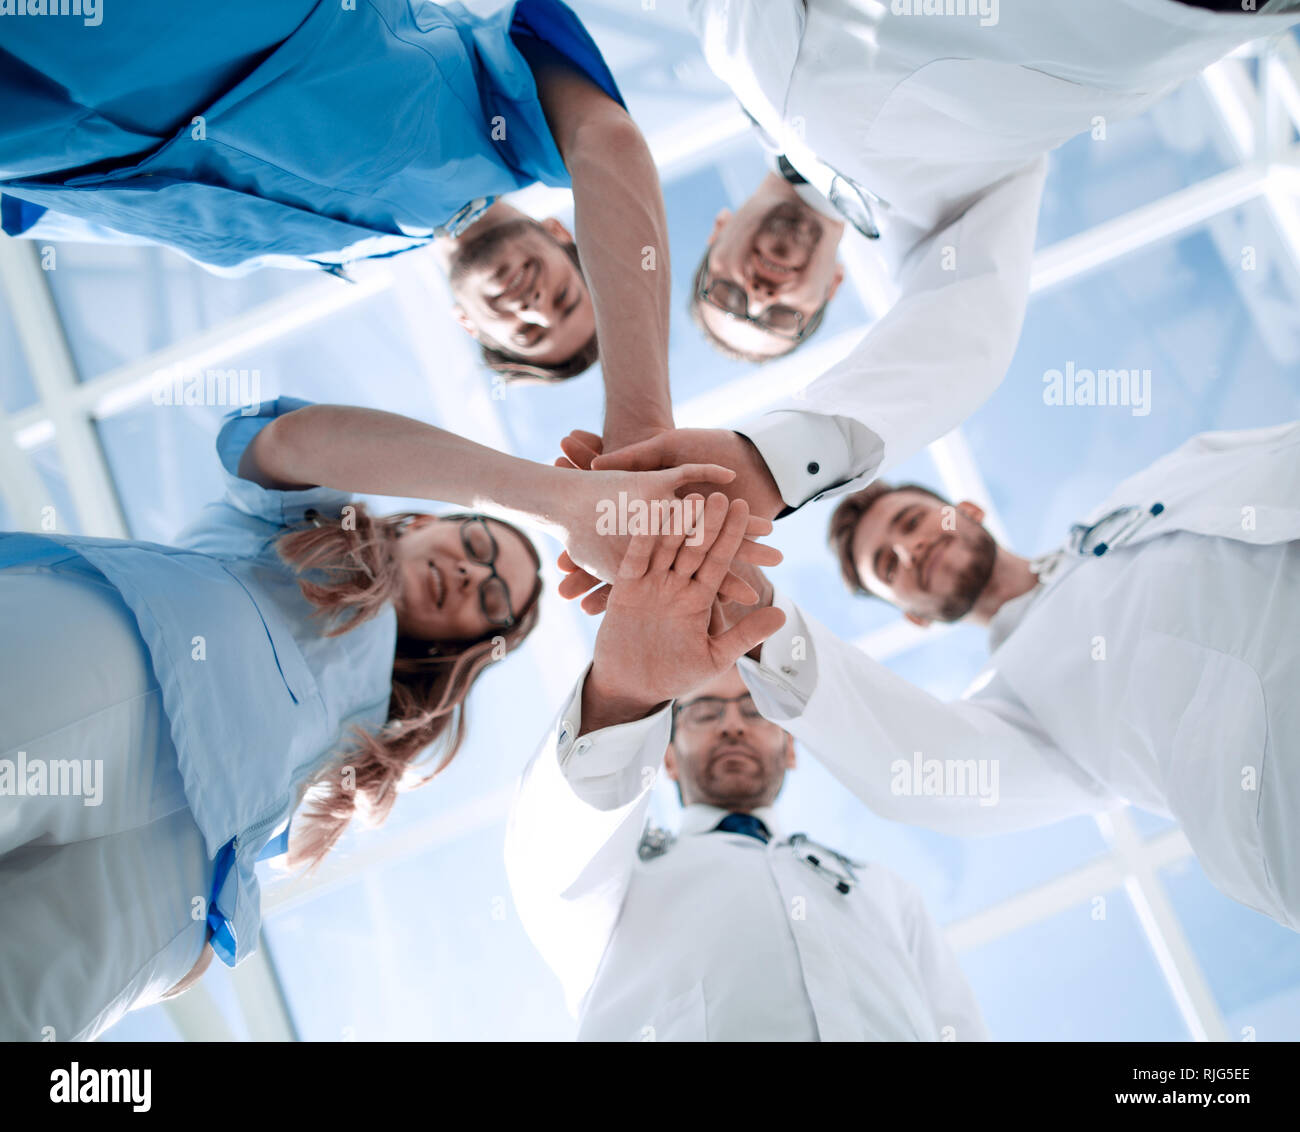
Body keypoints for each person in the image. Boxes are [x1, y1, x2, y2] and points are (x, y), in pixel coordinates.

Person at [0, 396, 773, 1041]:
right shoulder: (293, 531)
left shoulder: (372, 744)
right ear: (420, 522)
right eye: (474, 541)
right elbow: (287, 441)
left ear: (471, 648)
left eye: (490, 601)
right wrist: (553, 501)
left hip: (176, 880)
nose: (469, 573)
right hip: (130, 665)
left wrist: (188, 939)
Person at [588, 0, 1300, 517]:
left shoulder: (742, 57)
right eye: (778, 318)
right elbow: (964, 337)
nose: (759, 292)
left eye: (726, 293)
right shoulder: (939, 224)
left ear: (718, 230)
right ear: (830, 290)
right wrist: (771, 462)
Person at [696, 420, 1300, 933]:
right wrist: (749, 603)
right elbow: (919, 768)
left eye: (912, 522)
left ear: (967, 511)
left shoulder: (1144, 492)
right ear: (914, 615)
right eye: (889, 566)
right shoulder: (1016, 705)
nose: (911, 550)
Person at [0, 0, 673, 411]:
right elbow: (608, 142)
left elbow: (126, 219)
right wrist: (639, 412)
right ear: (562, 232)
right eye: (565, 298)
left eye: (527, 333)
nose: (533, 306)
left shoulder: (328, 255)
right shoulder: (517, 127)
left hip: (42, 137)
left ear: (470, 325)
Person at [507, 495, 989, 1040]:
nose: (733, 726)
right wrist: (621, 694)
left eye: (752, 711)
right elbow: (551, 852)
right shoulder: (618, 876)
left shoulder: (885, 892)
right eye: (705, 712)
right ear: (668, 756)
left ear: (791, 749)